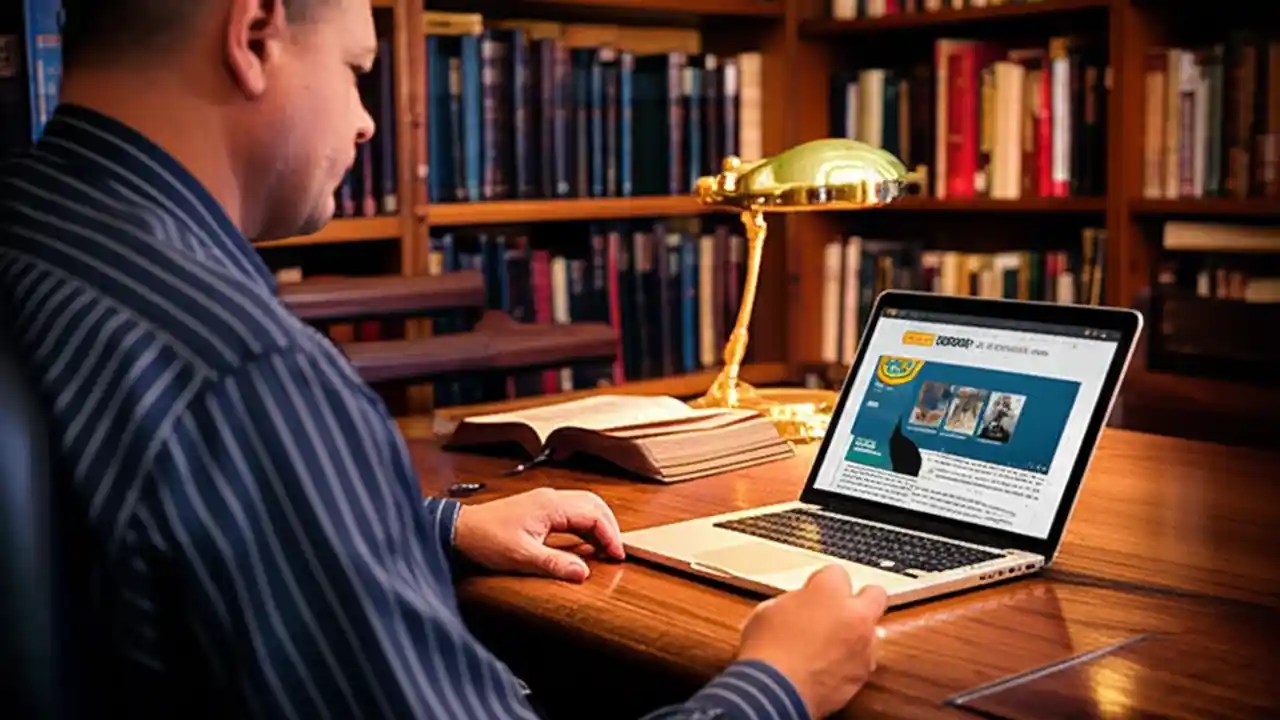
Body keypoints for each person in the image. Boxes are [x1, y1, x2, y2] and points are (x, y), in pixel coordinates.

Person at [0, 1, 889, 718]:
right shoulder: (249, 375)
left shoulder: (36, 238)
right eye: (357, 70)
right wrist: (780, 682)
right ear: (254, 33)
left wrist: (426, 528)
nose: (366, 122)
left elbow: (112, 526)